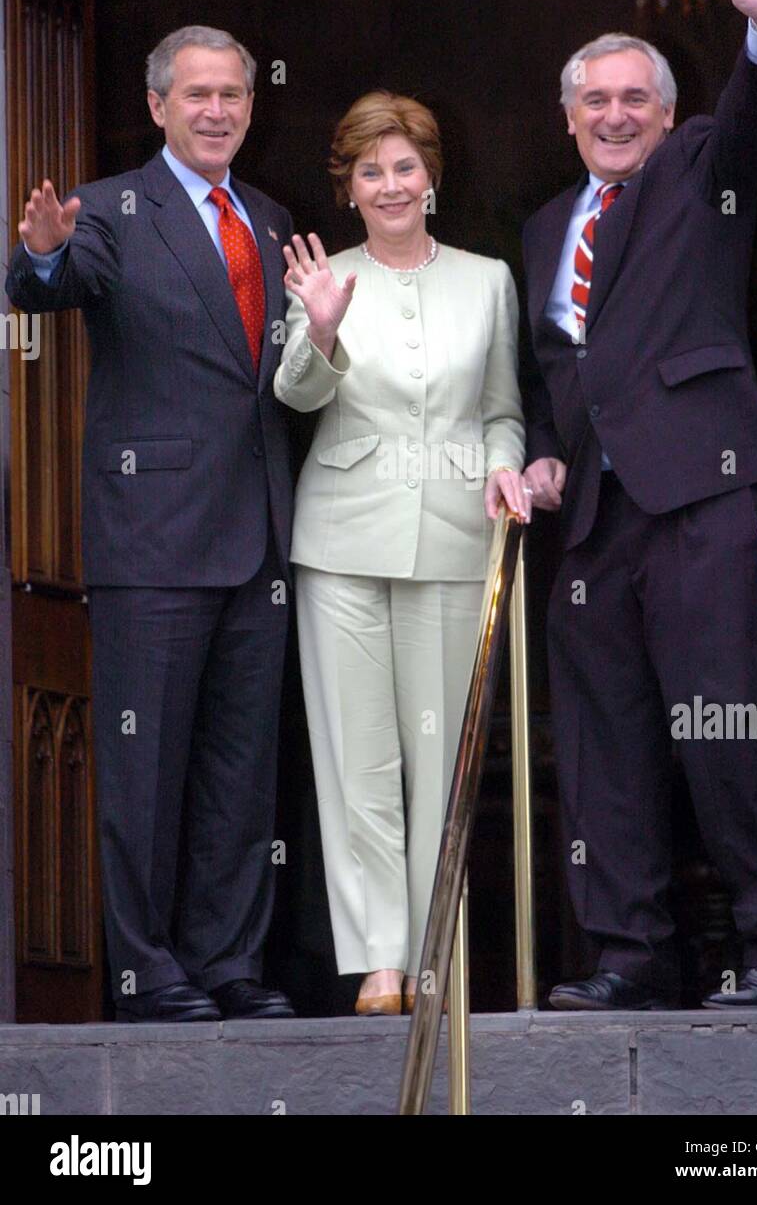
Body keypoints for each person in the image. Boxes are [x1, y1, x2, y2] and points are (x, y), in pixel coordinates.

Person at [521, 0, 757, 1011]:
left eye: (633, 99)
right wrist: (537, 459)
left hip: (699, 490)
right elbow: (540, 374)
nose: (614, 115)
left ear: (665, 114)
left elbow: (753, 120)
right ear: (567, 120)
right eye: (593, 101)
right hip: (592, 518)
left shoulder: (701, 170)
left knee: (717, 724)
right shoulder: (542, 228)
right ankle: (628, 952)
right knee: (602, 748)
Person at [7, 26, 295, 1022]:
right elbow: (50, 284)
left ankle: (227, 963)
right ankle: (147, 968)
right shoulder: (112, 208)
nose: (216, 111)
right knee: (146, 765)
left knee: (238, 769)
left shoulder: (266, 215)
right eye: (197, 94)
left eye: (232, 95)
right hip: (153, 540)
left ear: (250, 108)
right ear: (158, 106)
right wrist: (38, 253)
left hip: (258, 536)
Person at [274, 91, 528, 1014]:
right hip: (341, 540)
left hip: (459, 537)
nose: (391, 184)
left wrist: (505, 469)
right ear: (348, 188)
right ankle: (380, 965)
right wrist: (325, 326)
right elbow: (295, 397)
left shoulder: (487, 278)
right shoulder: (320, 274)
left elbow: (503, 410)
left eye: (405, 167)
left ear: (432, 177)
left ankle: (434, 959)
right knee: (360, 764)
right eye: (370, 171)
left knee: (442, 762)